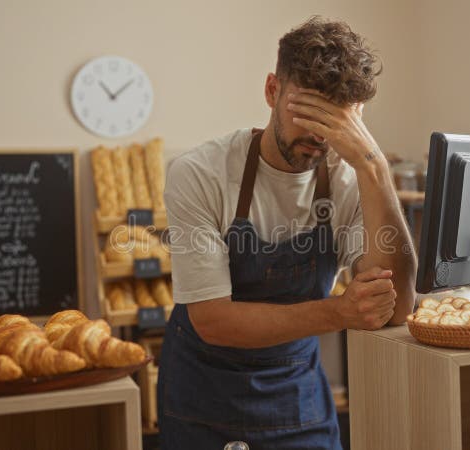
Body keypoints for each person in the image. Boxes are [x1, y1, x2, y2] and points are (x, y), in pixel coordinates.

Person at [158, 16, 417, 449]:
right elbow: (213, 321)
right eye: (307, 112)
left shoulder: (350, 180)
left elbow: (395, 307)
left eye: (334, 120)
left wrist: (374, 167)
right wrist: (338, 312)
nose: (318, 135)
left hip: (297, 396)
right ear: (272, 91)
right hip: (202, 398)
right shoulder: (199, 174)